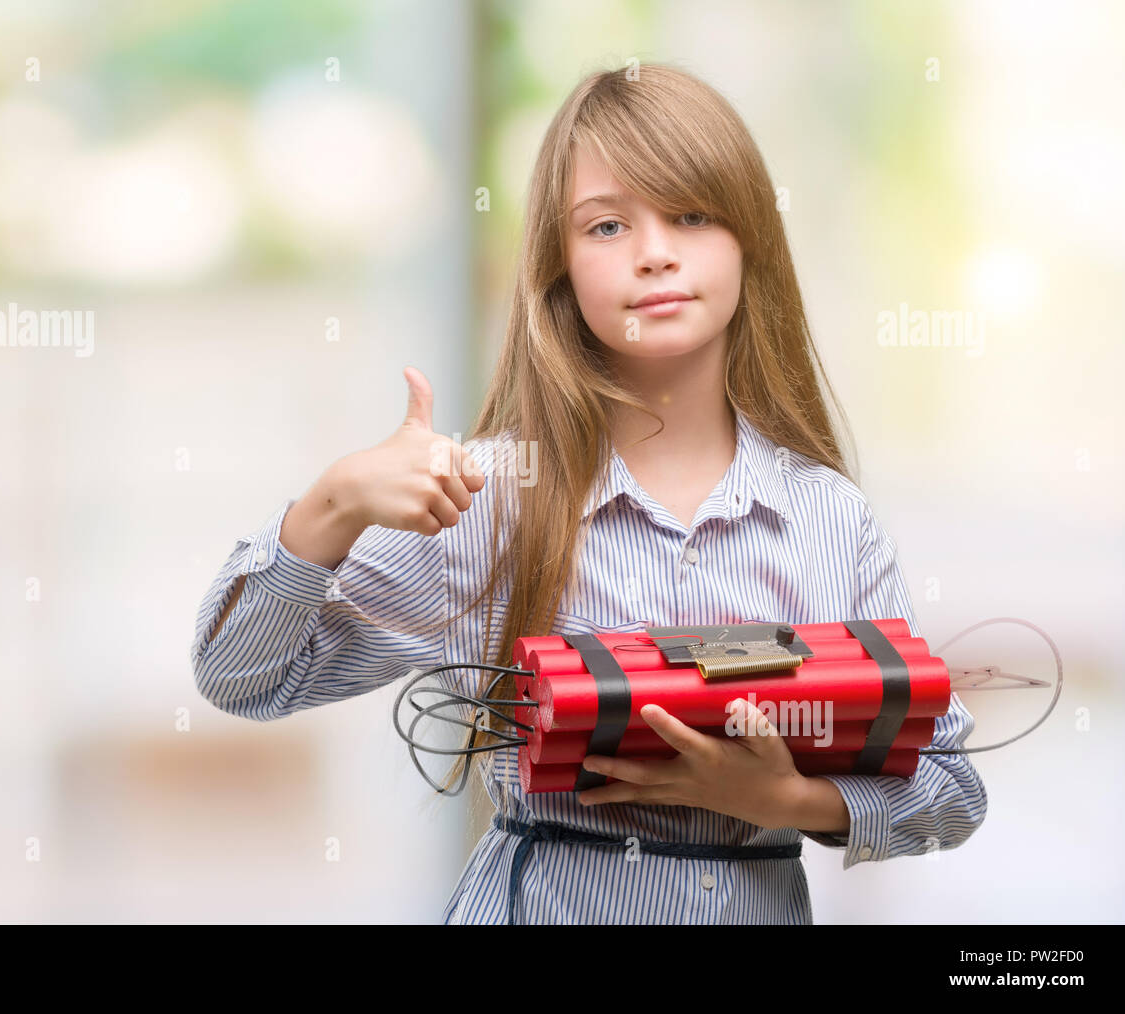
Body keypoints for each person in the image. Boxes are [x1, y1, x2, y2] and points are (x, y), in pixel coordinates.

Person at [189, 62, 987, 924]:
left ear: (748, 235)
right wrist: (333, 505)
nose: (654, 251)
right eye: (607, 226)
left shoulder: (827, 515)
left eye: (690, 213)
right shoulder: (490, 498)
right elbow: (243, 678)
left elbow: (949, 787)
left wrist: (787, 802)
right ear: (560, 266)